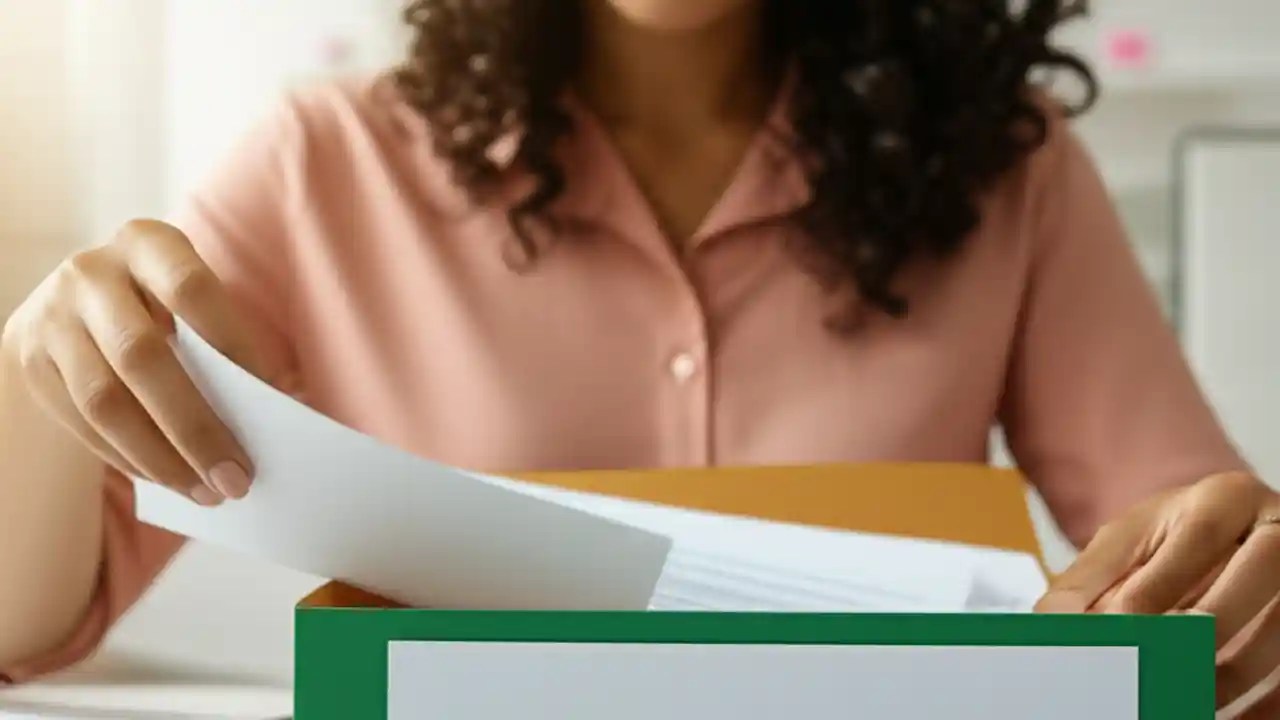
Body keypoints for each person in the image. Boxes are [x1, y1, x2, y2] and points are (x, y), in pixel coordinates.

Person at [1, 0, 1277, 711]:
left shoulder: (1011, 165)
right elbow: (29, 626)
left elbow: (1193, 557)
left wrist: (1235, 569)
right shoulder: (322, 161)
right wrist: (43, 370)